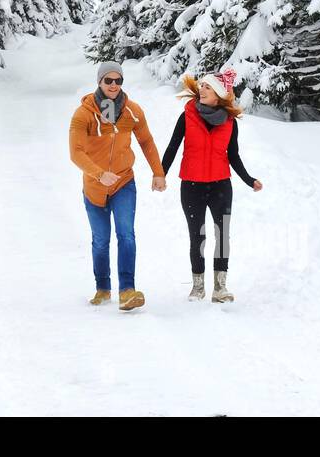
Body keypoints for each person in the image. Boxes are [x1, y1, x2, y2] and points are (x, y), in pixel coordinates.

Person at [157, 69, 263, 303]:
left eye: (207, 86)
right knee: (198, 237)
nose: (201, 89)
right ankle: (197, 286)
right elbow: (173, 146)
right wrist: (160, 174)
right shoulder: (188, 116)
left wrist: (248, 179)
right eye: (202, 85)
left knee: (222, 235)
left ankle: (220, 288)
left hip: (221, 187)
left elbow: (233, 156)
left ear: (218, 95)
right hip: (192, 186)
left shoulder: (229, 123)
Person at [69, 62, 167, 311]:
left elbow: (146, 141)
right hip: (94, 186)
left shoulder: (131, 111)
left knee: (126, 234)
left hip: (124, 182)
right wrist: (99, 174)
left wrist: (159, 172)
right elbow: (76, 153)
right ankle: (103, 288)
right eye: (108, 81)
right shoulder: (84, 114)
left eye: (118, 81)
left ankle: (127, 291)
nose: (113, 85)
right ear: (99, 82)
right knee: (101, 240)